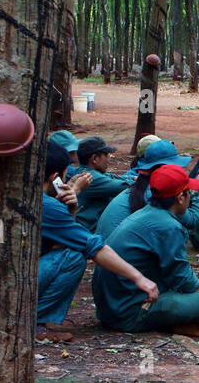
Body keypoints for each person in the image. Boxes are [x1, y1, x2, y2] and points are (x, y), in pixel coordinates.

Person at [92, 163, 199, 336]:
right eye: (189, 193)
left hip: (110, 308)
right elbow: (182, 279)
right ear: (181, 198)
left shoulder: (148, 212)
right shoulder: (168, 226)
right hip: (129, 314)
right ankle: (179, 323)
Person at [37, 144, 158, 342]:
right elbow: (92, 246)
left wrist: (71, 208)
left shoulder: (39, 200)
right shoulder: (48, 204)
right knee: (73, 257)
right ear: (55, 177)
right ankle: (36, 322)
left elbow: (59, 239)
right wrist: (138, 278)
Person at [96, 140, 199, 241]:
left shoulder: (143, 185)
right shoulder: (155, 192)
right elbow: (191, 220)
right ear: (165, 168)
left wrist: (190, 185)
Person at [72, 136, 129, 233]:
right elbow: (124, 187)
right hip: (88, 232)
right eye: (106, 155)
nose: (109, 158)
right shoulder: (90, 177)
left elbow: (114, 177)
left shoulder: (91, 172)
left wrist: (134, 178)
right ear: (94, 158)